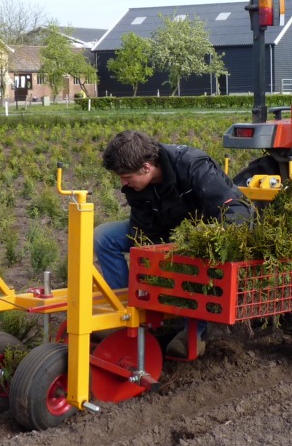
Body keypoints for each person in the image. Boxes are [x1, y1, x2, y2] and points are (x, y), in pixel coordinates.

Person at [95, 130, 254, 357]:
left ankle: (197, 329)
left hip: (198, 235)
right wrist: (150, 270)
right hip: (165, 230)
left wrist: (209, 236)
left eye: (126, 176)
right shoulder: (135, 186)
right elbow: (144, 230)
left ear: (147, 167)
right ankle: (130, 311)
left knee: (195, 254)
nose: (123, 183)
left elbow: (236, 209)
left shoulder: (193, 166)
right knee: (105, 237)